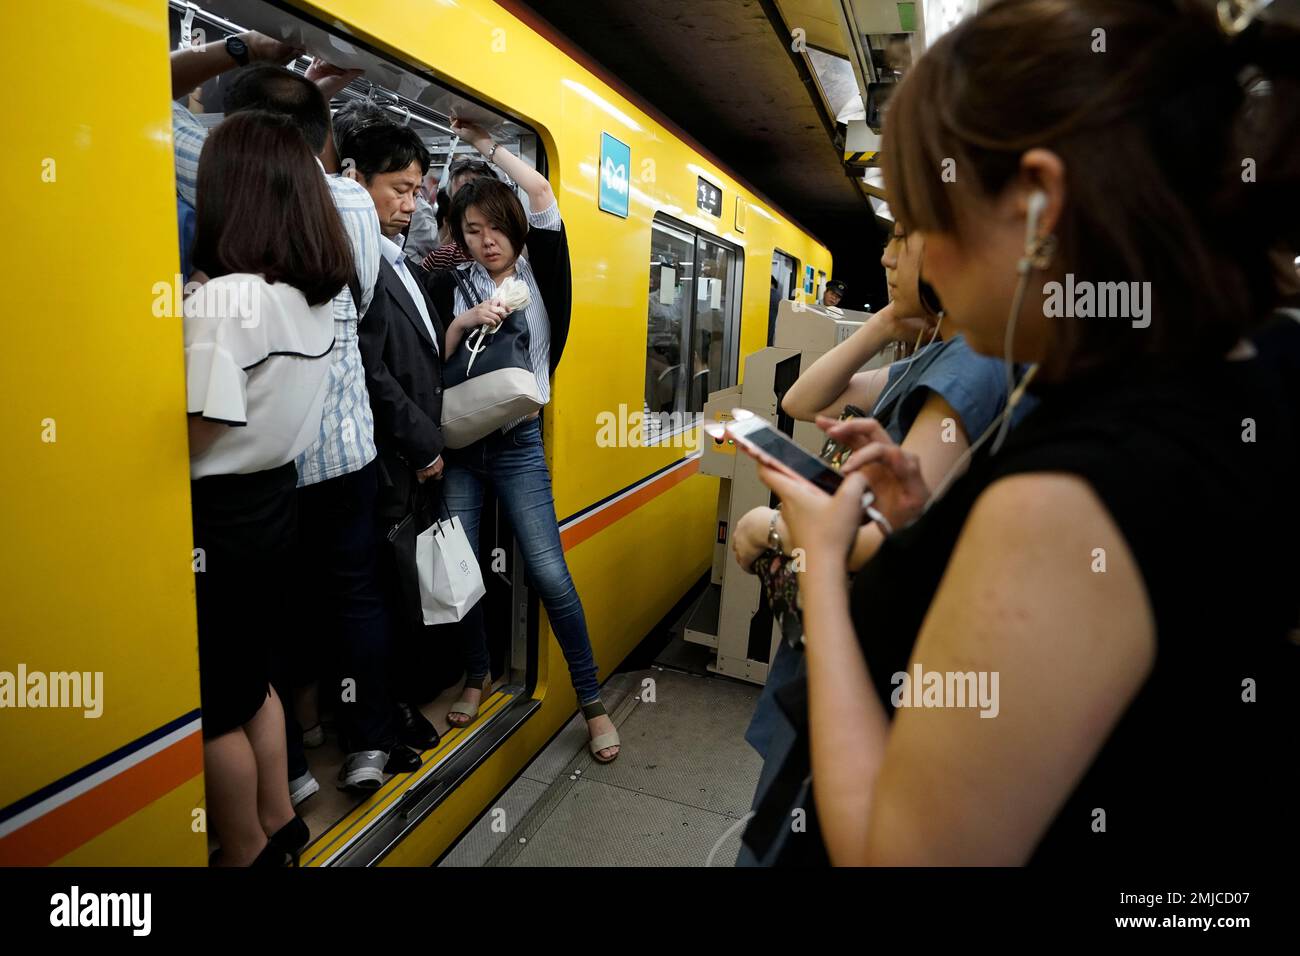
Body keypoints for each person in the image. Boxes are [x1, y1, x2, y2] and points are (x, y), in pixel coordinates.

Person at [740, 0, 1299, 866]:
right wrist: (933, 527)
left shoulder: (1073, 495)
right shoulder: (1245, 368)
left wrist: (817, 561)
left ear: (1037, 203)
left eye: (932, 216)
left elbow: (898, 853)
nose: (921, 260)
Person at [168, 42, 417, 792]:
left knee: (252, 647)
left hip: (243, 488)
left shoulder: (225, 299)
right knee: (350, 598)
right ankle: (359, 749)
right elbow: (365, 308)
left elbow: (193, 435)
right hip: (333, 449)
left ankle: (281, 793)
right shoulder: (336, 236)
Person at [421, 120, 622, 763]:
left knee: (547, 572)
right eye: (470, 231)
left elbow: (540, 190)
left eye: (494, 229)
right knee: (464, 571)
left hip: (517, 446)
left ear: (513, 226)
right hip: (461, 447)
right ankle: (479, 676)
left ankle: (591, 703)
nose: (485, 243)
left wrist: (485, 144)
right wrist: (462, 320)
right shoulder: (452, 283)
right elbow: (434, 357)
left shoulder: (542, 269)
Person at [184, 110, 351, 865]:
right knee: (254, 679)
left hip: (215, 520)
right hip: (275, 504)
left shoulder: (223, 303)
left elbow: (192, 434)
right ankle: (283, 821)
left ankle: (247, 851)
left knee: (213, 704)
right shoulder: (309, 300)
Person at [344, 117, 459, 736]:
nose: (410, 205)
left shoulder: (401, 262)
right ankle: (389, 712)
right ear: (354, 180)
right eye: (399, 189)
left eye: (418, 192)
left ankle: (408, 693)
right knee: (387, 594)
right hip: (394, 458)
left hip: (417, 453)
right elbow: (372, 372)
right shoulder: (361, 267)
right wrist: (423, 443)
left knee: (409, 587)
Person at [419, 151, 499, 271]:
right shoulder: (442, 258)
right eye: (460, 199)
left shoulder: (506, 250)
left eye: (476, 196)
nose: (467, 204)